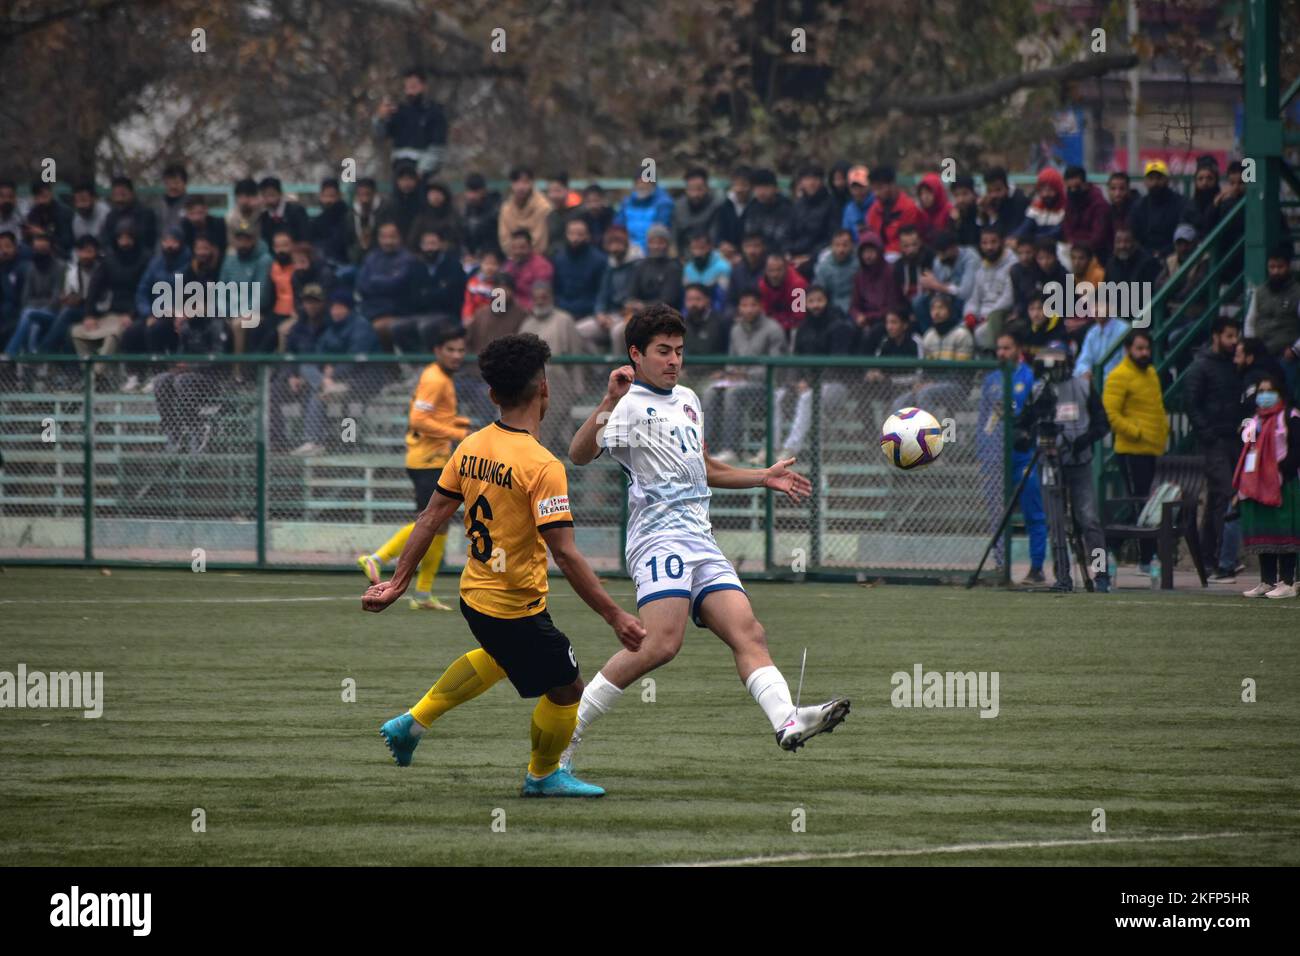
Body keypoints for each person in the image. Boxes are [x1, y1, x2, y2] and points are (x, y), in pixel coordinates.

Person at [561, 304, 849, 776]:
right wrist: (608, 402)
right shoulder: (628, 404)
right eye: (662, 351)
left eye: (679, 351)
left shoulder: (690, 398)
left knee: (748, 632)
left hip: (700, 539)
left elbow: (706, 468)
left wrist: (763, 477)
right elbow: (579, 454)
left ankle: (786, 720)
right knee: (659, 645)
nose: (674, 360)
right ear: (636, 354)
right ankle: (567, 730)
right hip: (658, 540)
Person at [364, 333, 646, 799]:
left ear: (493, 394)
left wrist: (398, 582)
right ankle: (543, 776)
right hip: (515, 606)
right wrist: (614, 615)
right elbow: (565, 553)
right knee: (567, 688)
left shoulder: (471, 445)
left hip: (475, 596)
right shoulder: (542, 465)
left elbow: (431, 516)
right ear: (545, 390)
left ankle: (411, 724)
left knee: (500, 658)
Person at [359, 325, 471, 611]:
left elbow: (432, 418)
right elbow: (419, 420)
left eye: (461, 350)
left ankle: (422, 593)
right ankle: (377, 558)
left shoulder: (440, 377)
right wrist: (455, 431)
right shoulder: (435, 378)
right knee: (431, 520)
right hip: (426, 461)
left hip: (434, 459)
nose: (457, 355)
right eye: (451, 350)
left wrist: (457, 423)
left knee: (440, 524)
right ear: (437, 351)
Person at [1016, 343, 1111, 592]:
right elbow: (1023, 423)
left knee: (1089, 519)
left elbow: (1102, 425)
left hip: (1079, 461)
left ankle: (1101, 575)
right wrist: (1027, 434)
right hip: (1049, 462)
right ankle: (1063, 577)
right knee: (1055, 522)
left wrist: (1082, 441)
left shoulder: (1084, 386)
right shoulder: (1038, 390)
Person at [978, 329, 1046, 582]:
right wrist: (983, 452)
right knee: (997, 513)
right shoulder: (991, 380)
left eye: (1007, 348)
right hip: (995, 456)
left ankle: (1036, 567)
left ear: (1018, 349)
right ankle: (1001, 567)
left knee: (1033, 511)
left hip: (1023, 455)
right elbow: (984, 420)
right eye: (999, 348)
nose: (1002, 353)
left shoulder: (1030, 377)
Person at [1102, 330, 1169, 571]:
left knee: (1146, 506)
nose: (1144, 353)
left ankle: (1141, 557)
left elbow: (1157, 407)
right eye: (1139, 348)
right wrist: (1136, 432)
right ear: (1128, 349)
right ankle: (1126, 552)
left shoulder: (1150, 373)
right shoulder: (1119, 375)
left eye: (1147, 348)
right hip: (1131, 451)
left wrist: (1163, 432)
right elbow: (1111, 413)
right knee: (1140, 505)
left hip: (1152, 449)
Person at [1183, 317, 1243, 570]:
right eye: (1228, 336)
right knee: (1225, 493)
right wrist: (1207, 434)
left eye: (1235, 336)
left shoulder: (1234, 364)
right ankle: (1220, 557)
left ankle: (1210, 556)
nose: (1233, 341)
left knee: (1218, 499)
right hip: (1214, 440)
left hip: (1233, 438)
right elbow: (1191, 403)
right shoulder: (1201, 367)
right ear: (1216, 336)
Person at [1234, 374, 1300, 598]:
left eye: (1268, 391)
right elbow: (1246, 446)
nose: (1264, 396)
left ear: (1280, 393)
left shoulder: (1291, 416)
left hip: (1284, 482)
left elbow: (1296, 450)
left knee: (1285, 533)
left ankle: (1288, 582)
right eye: (1260, 392)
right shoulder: (1255, 420)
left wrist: (1279, 470)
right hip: (1258, 484)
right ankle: (1267, 580)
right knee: (1265, 531)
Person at [373, 65, 448, 177]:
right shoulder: (399, 111)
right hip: (399, 166)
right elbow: (381, 134)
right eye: (407, 87)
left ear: (423, 86)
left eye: (413, 87)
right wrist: (380, 118)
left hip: (423, 169)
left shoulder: (435, 112)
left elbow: (437, 146)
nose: (410, 92)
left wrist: (421, 170)